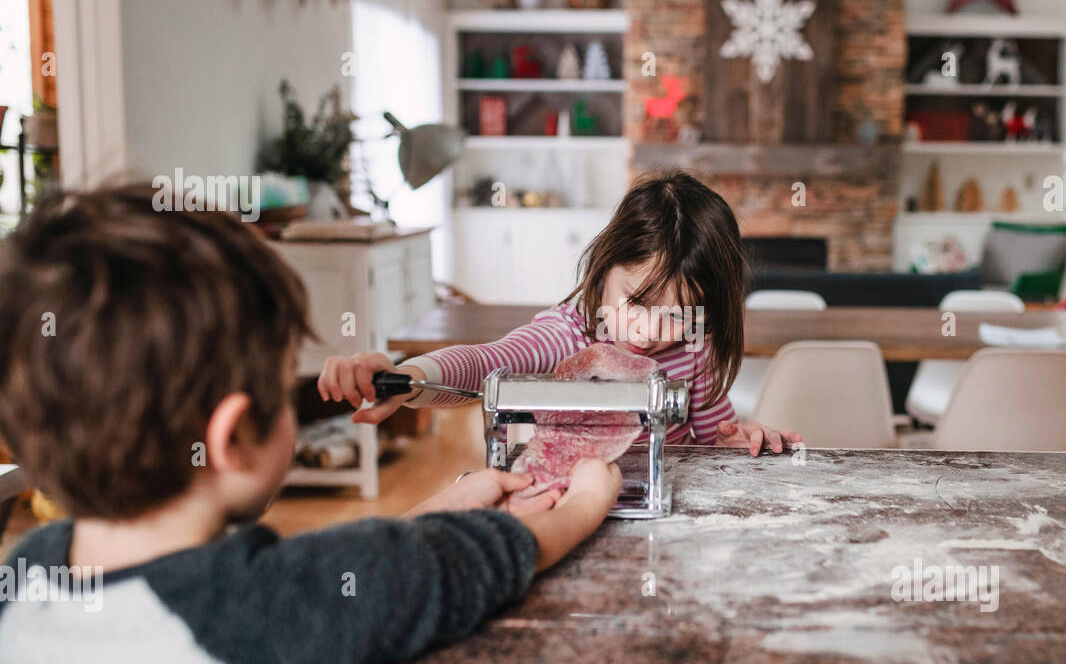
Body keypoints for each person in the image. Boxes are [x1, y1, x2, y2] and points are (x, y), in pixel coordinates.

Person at [0, 185, 618, 664]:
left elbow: (337, 571)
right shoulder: (276, 608)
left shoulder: (31, 579)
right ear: (234, 439)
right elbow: (459, 563)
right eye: (282, 388)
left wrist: (450, 503)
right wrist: (583, 505)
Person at [319, 169, 802, 457]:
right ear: (604, 266)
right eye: (635, 302)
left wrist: (741, 440)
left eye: (679, 315)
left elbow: (710, 438)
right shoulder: (570, 334)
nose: (652, 331)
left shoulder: (696, 342)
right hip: (573, 512)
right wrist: (408, 379)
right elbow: (488, 363)